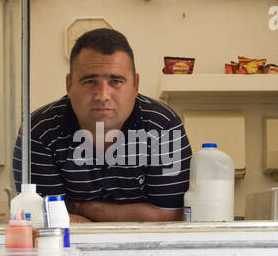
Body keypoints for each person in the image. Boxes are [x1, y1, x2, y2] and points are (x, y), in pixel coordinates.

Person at [12, 28, 192, 222]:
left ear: (136, 85)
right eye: (90, 81)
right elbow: (43, 219)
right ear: (69, 85)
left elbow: (171, 216)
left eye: (116, 81)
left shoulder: (164, 127)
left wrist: (84, 209)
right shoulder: (39, 131)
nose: (103, 95)